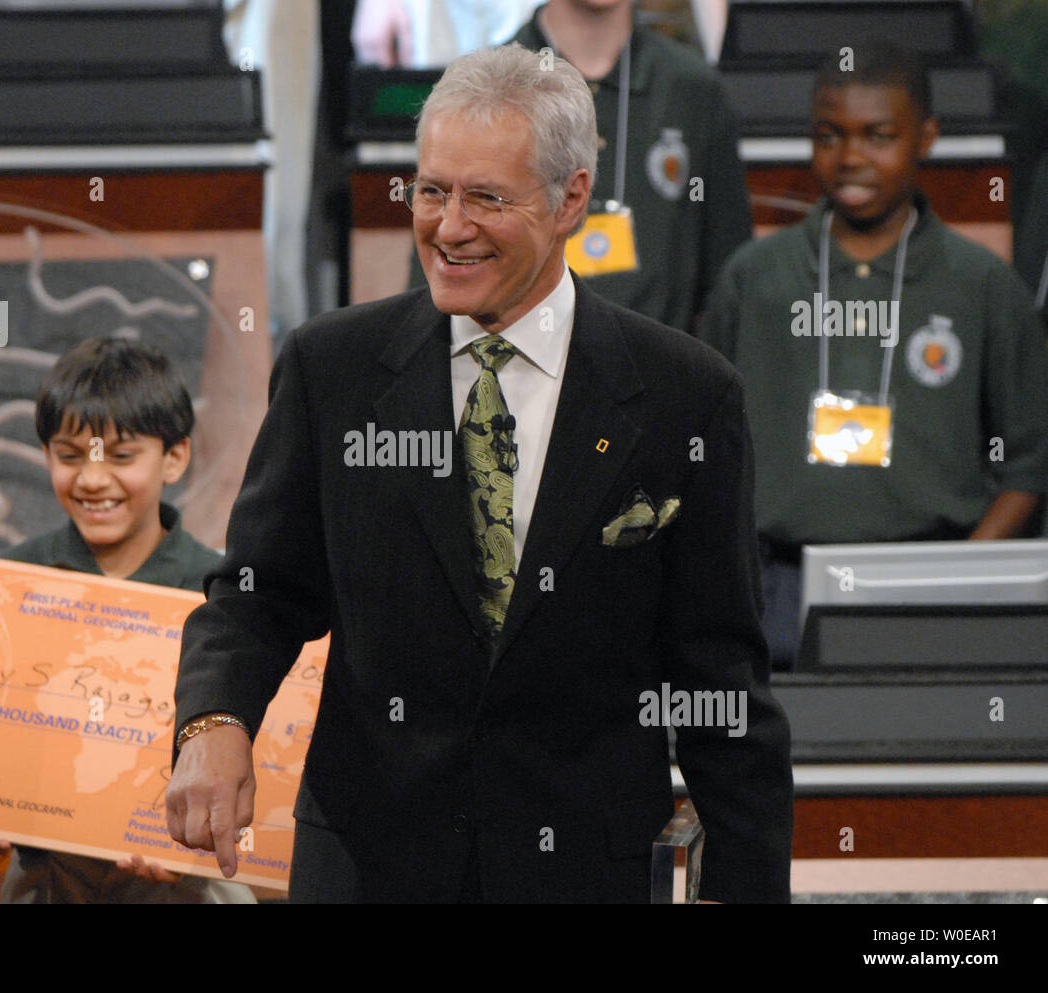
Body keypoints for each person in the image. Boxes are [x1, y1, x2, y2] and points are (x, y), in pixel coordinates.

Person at [166, 43, 792, 903]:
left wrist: (745, 887)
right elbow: (256, 592)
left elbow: (721, 687)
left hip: (581, 874)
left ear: (572, 198)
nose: (449, 226)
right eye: (432, 190)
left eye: (486, 198)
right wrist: (215, 718)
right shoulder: (333, 369)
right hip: (367, 866)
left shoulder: (687, 397)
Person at [699, 44, 1048, 667]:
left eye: (879, 136)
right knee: (778, 755)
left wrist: (967, 572)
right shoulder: (756, 277)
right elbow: (701, 438)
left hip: (931, 572)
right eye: (829, 136)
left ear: (927, 137)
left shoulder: (982, 285)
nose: (852, 157)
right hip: (775, 581)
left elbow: (1030, 459)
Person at [0, 337, 255, 904]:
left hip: (187, 874)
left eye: (121, 457)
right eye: (70, 455)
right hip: (50, 874)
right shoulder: (7, 584)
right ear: (45, 455)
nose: (93, 480)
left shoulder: (222, 594)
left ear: (174, 457)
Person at [406, 0, 752, 334]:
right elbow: (436, 269)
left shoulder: (694, 91)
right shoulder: (483, 91)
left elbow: (728, 281)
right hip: (509, 368)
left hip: (658, 376)